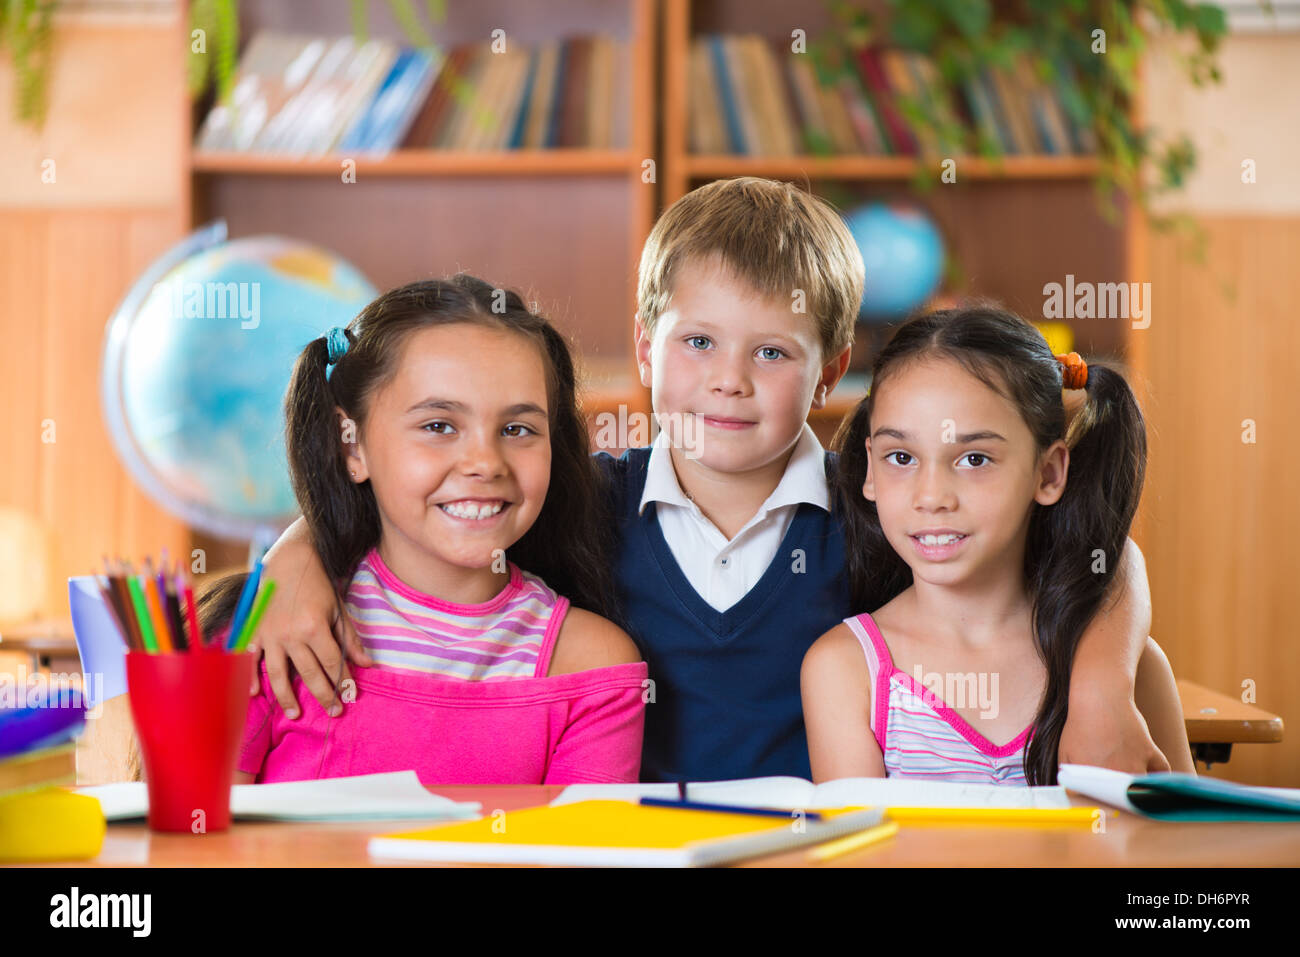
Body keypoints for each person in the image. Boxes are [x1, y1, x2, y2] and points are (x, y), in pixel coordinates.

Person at [245, 178, 1171, 782]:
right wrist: (301, 553)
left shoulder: (883, 509)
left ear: (833, 365)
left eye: (772, 351)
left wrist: (1096, 688)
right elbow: (424, 518)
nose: (729, 379)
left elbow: (1089, 549)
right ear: (647, 348)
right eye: (698, 342)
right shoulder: (583, 501)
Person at [205, 276, 646, 785]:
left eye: (518, 429)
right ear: (353, 447)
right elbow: (196, 844)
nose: (484, 462)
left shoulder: (592, 668)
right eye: (438, 426)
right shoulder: (277, 634)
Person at [803, 305, 1194, 783]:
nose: (931, 497)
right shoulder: (846, 671)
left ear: (1048, 473)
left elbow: (1179, 841)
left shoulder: (1124, 669)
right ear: (869, 468)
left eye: (974, 458)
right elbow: (860, 854)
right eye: (901, 457)